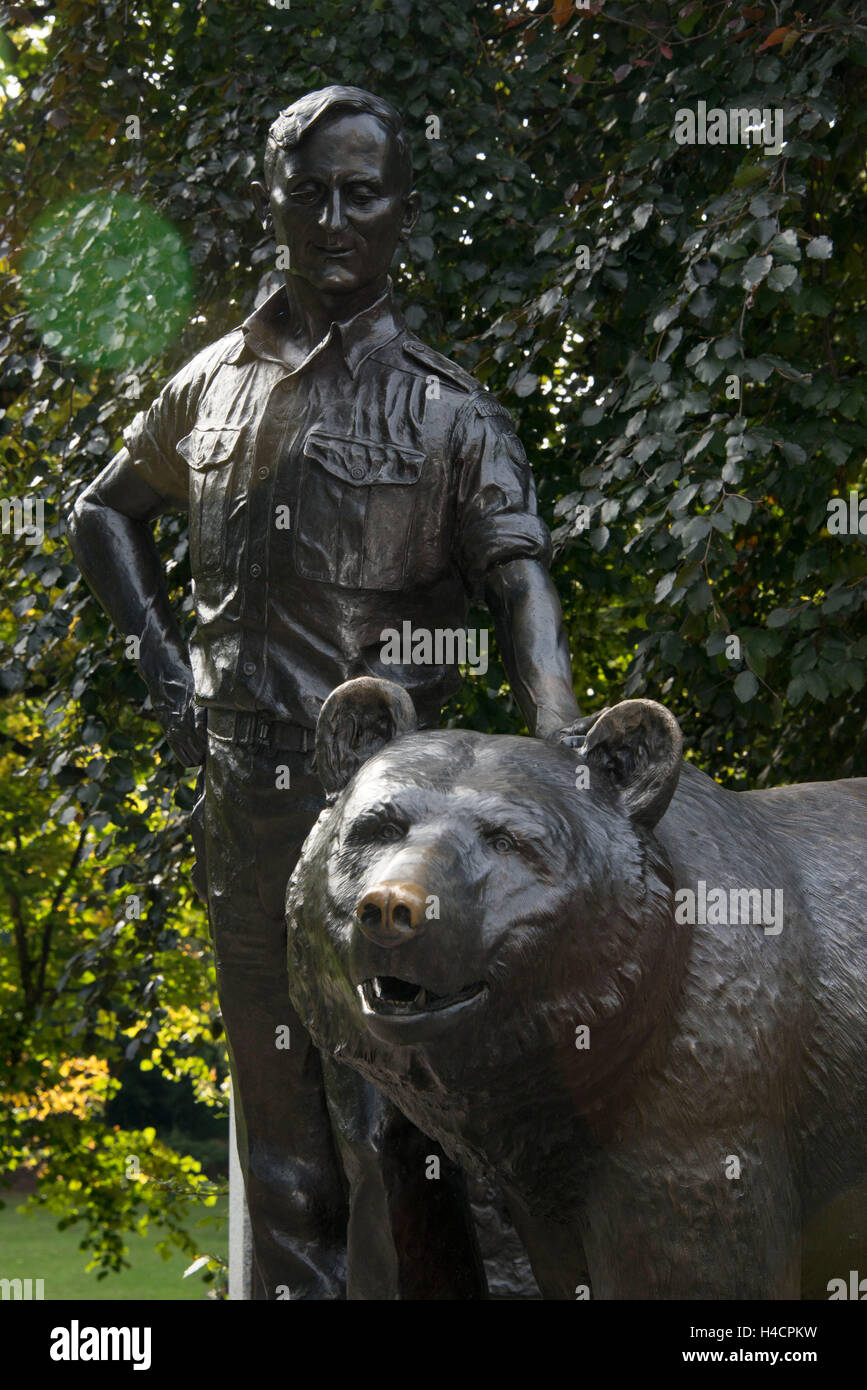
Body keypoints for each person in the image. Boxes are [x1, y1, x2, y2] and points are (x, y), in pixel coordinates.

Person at [68, 85, 583, 1299]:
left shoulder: (450, 412)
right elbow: (100, 512)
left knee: (398, 1135)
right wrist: (156, 652)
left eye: (366, 194)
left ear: (403, 213)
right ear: (277, 201)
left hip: (383, 832)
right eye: (314, 191)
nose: (338, 216)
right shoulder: (209, 384)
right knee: (283, 1145)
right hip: (244, 809)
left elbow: (523, 584)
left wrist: (563, 749)